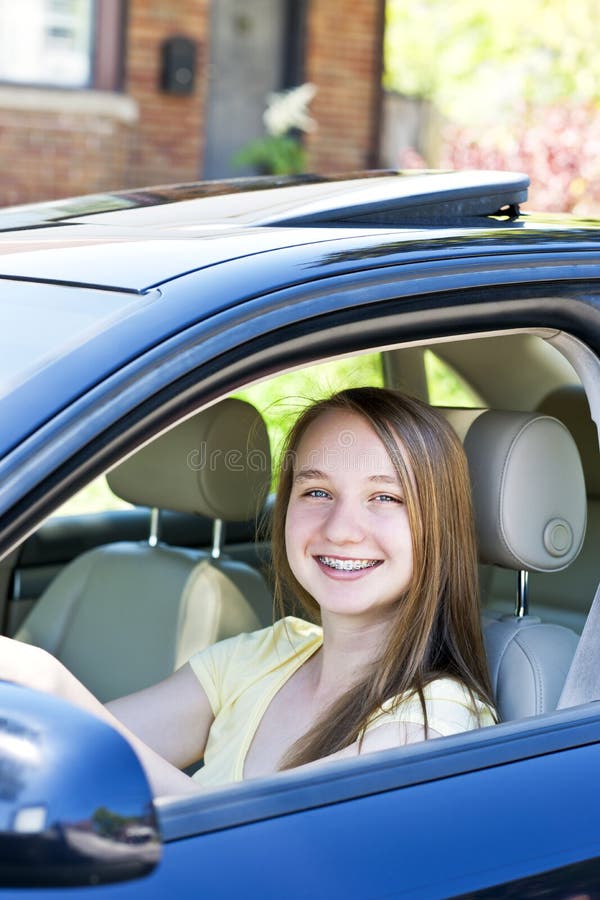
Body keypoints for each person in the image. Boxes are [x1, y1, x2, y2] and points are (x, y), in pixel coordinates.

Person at [0, 387, 496, 797]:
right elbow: (68, 757)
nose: (342, 529)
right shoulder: (264, 654)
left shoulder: (436, 722)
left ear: (439, 527)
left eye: (385, 498)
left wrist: (52, 684)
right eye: (317, 492)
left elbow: (253, 846)